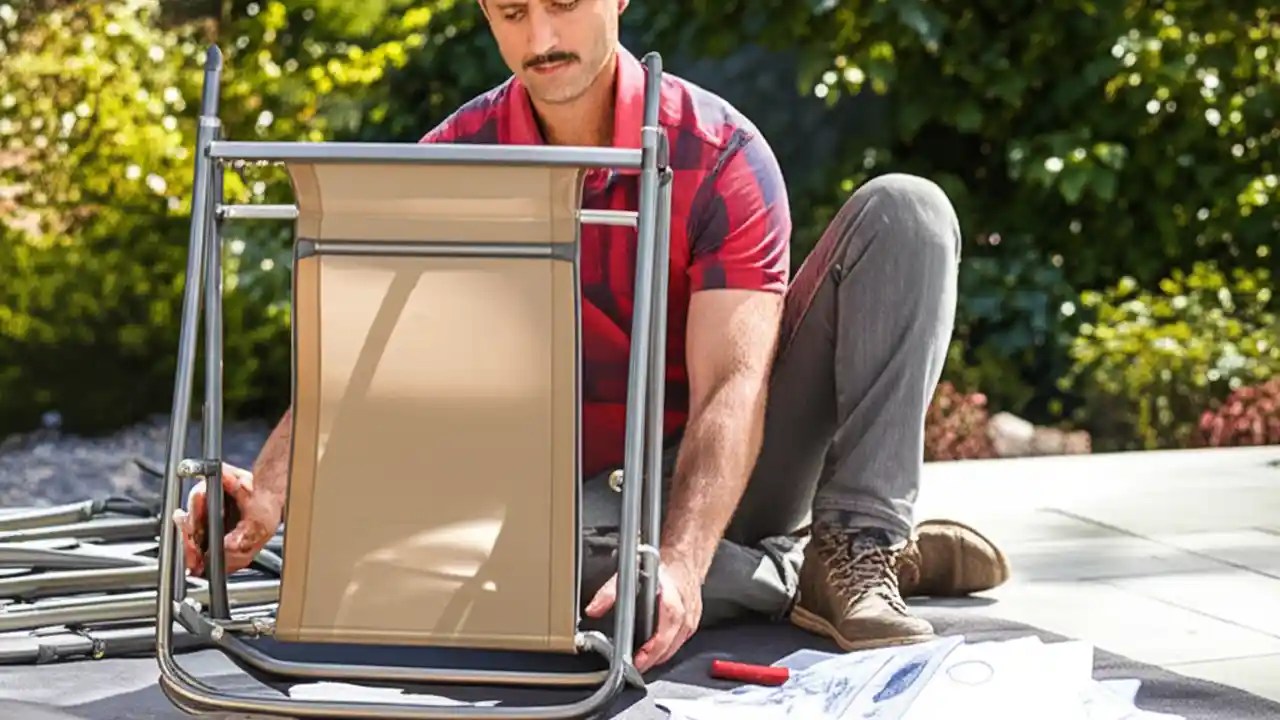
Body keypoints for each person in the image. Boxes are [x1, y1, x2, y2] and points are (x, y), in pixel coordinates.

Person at [174, 0, 1010, 675]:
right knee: (517, 587)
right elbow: (356, 359)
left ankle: (856, 542)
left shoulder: (720, 154)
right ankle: (801, 570)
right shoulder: (453, 162)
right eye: (510, 13)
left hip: (742, 462)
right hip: (575, 499)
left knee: (909, 212)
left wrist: (683, 565)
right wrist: (273, 493)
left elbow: (734, 384)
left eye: (564, 5)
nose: (539, 38)